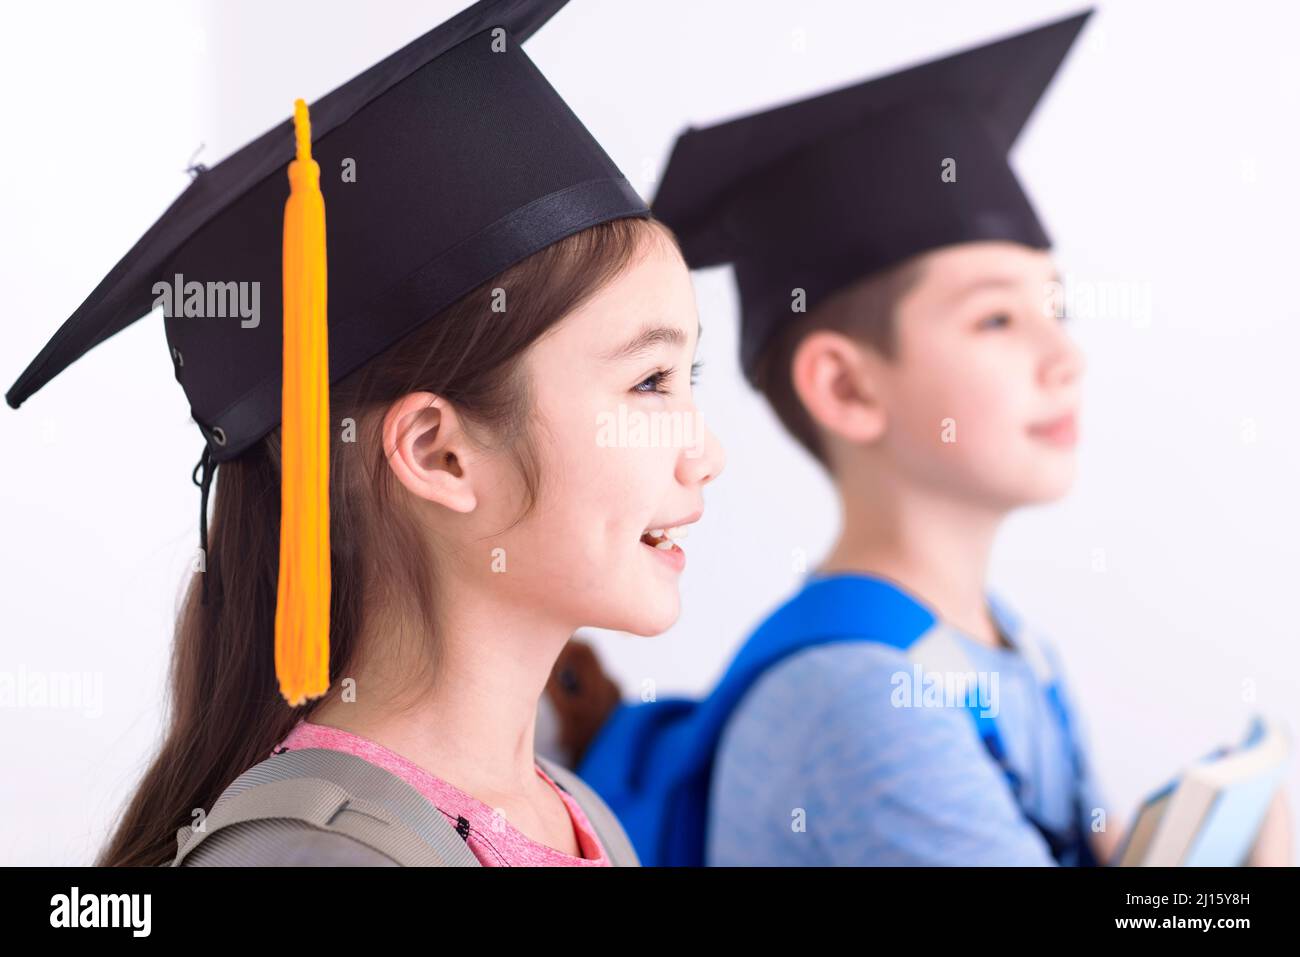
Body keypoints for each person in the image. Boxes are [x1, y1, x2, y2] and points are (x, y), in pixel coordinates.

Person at [6, 0, 724, 866]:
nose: (706, 453)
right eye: (648, 382)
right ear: (439, 451)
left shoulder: (577, 817)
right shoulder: (316, 857)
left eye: (690, 377)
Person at [576, 9, 1291, 866]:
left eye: (1055, 308)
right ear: (846, 386)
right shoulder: (865, 696)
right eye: (995, 317)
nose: (1063, 355)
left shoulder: (1011, 647)